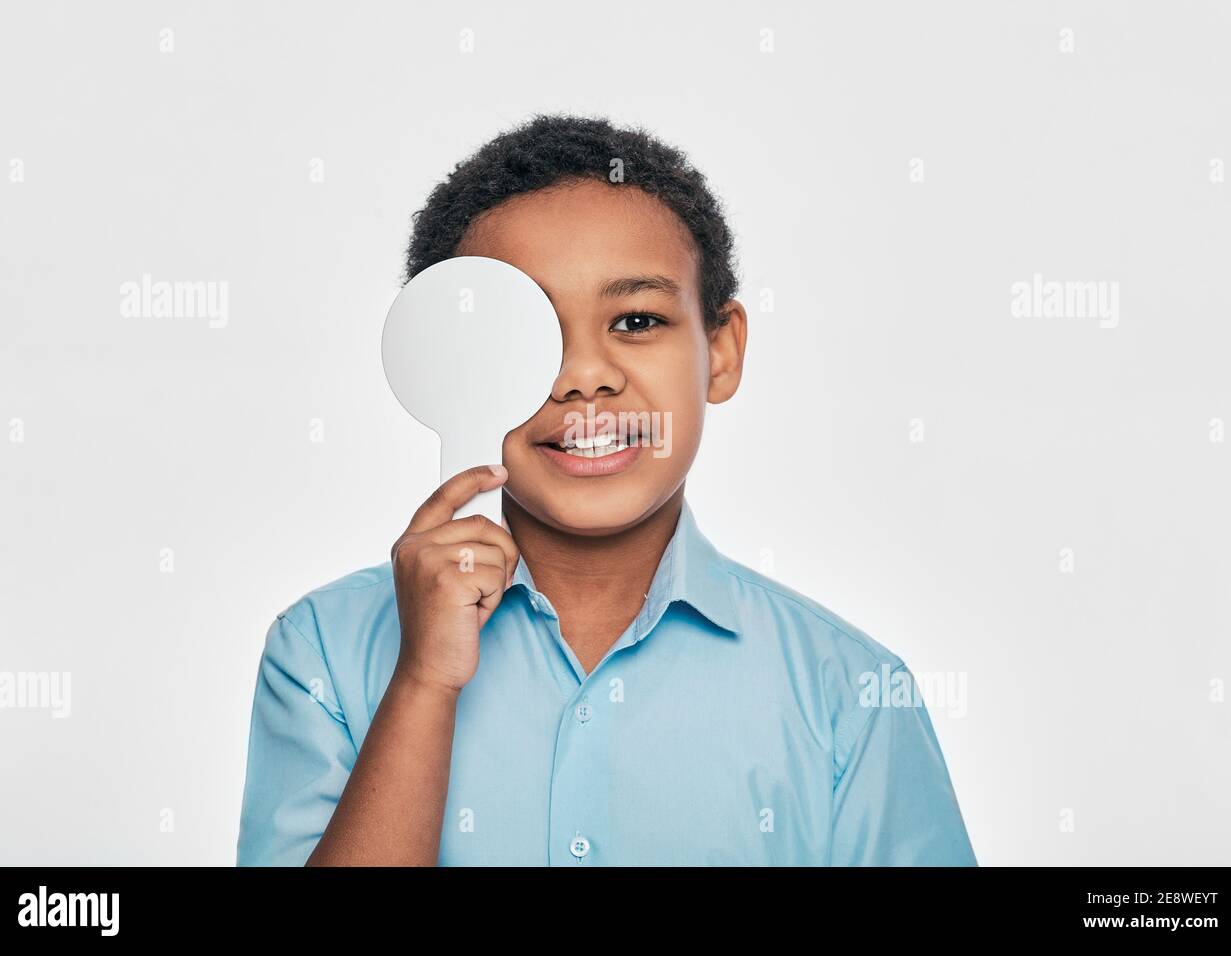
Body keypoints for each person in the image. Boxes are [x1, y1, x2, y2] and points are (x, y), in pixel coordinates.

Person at [237, 113, 977, 866]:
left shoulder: (851, 693)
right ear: (448, 364)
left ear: (720, 352)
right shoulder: (322, 653)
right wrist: (424, 683)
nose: (584, 374)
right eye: (527, 334)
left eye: (635, 319)